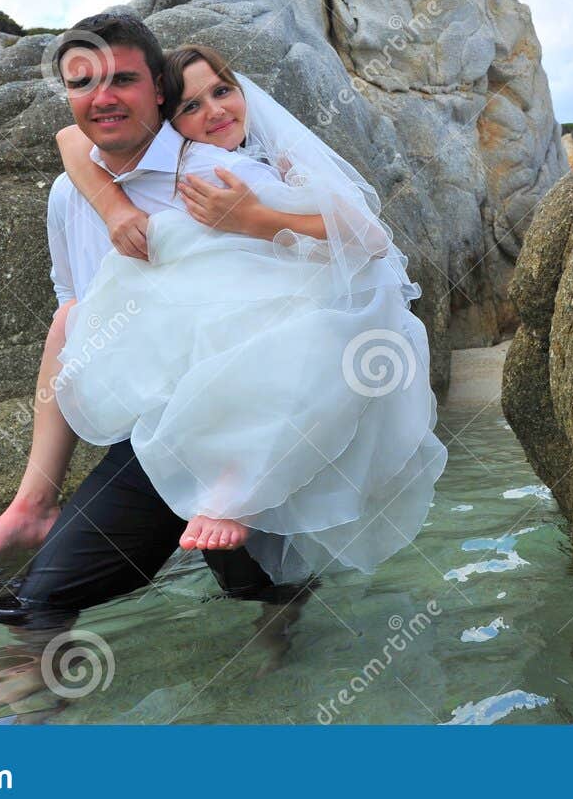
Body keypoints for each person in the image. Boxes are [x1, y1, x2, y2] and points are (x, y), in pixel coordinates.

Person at [0, 14, 307, 625]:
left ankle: (279, 689)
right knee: (35, 604)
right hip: (138, 438)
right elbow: (71, 304)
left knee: (268, 588)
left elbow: (308, 300)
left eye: (122, 80)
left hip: (232, 431)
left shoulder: (220, 174)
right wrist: (42, 482)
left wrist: (248, 466)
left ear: (158, 89)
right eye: (82, 84)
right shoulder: (67, 192)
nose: (102, 98)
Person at [47, 42, 445, 586]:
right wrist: (113, 206)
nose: (214, 111)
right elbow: (71, 138)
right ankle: (272, 604)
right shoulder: (200, 171)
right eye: (191, 107)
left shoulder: (279, 165)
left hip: (340, 310)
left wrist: (253, 217)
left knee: (314, 327)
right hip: (246, 332)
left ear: (243, 92)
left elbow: (371, 239)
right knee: (259, 578)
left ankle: (241, 482)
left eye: (223, 91)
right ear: (169, 120)